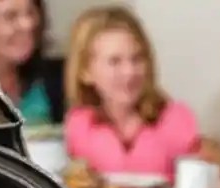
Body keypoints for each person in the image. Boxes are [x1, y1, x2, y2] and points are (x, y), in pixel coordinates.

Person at [62, 6, 201, 179]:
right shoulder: (78, 125)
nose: (129, 72)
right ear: (85, 72)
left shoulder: (175, 118)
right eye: (115, 62)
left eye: (137, 59)